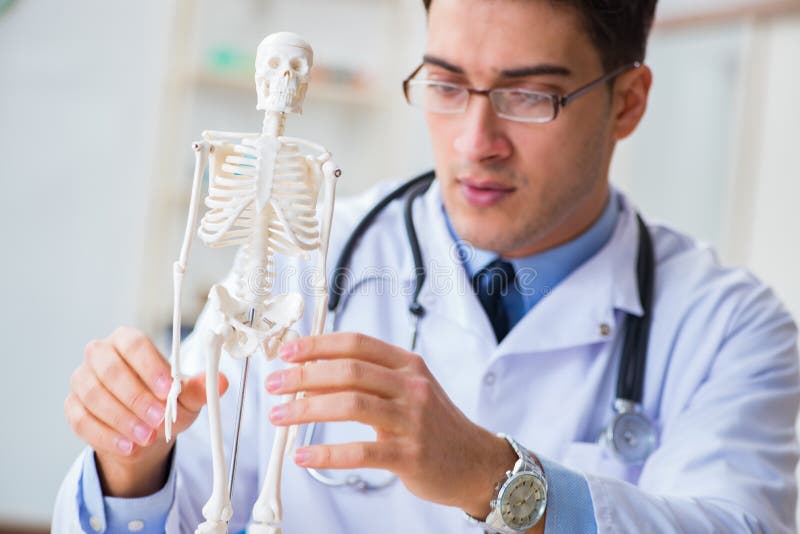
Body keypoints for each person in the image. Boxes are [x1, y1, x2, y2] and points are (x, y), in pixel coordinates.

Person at [55, 0, 800, 532]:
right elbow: (174, 511)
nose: (476, 140)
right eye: (445, 85)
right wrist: (134, 465)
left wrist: (497, 479)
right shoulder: (302, 261)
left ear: (628, 102)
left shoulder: (732, 328)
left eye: (528, 96)